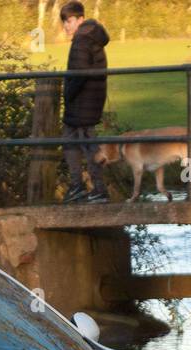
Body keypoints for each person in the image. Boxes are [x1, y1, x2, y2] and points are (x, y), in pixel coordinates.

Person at [59, 2, 110, 204]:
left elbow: (78, 73)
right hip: (92, 98)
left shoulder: (81, 39)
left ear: (79, 20)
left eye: (69, 21)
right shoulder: (92, 36)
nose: (66, 26)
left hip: (82, 99)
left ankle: (85, 187)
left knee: (77, 142)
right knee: (85, 142)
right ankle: (90, 187)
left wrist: (68, 93)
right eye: (64, 21)